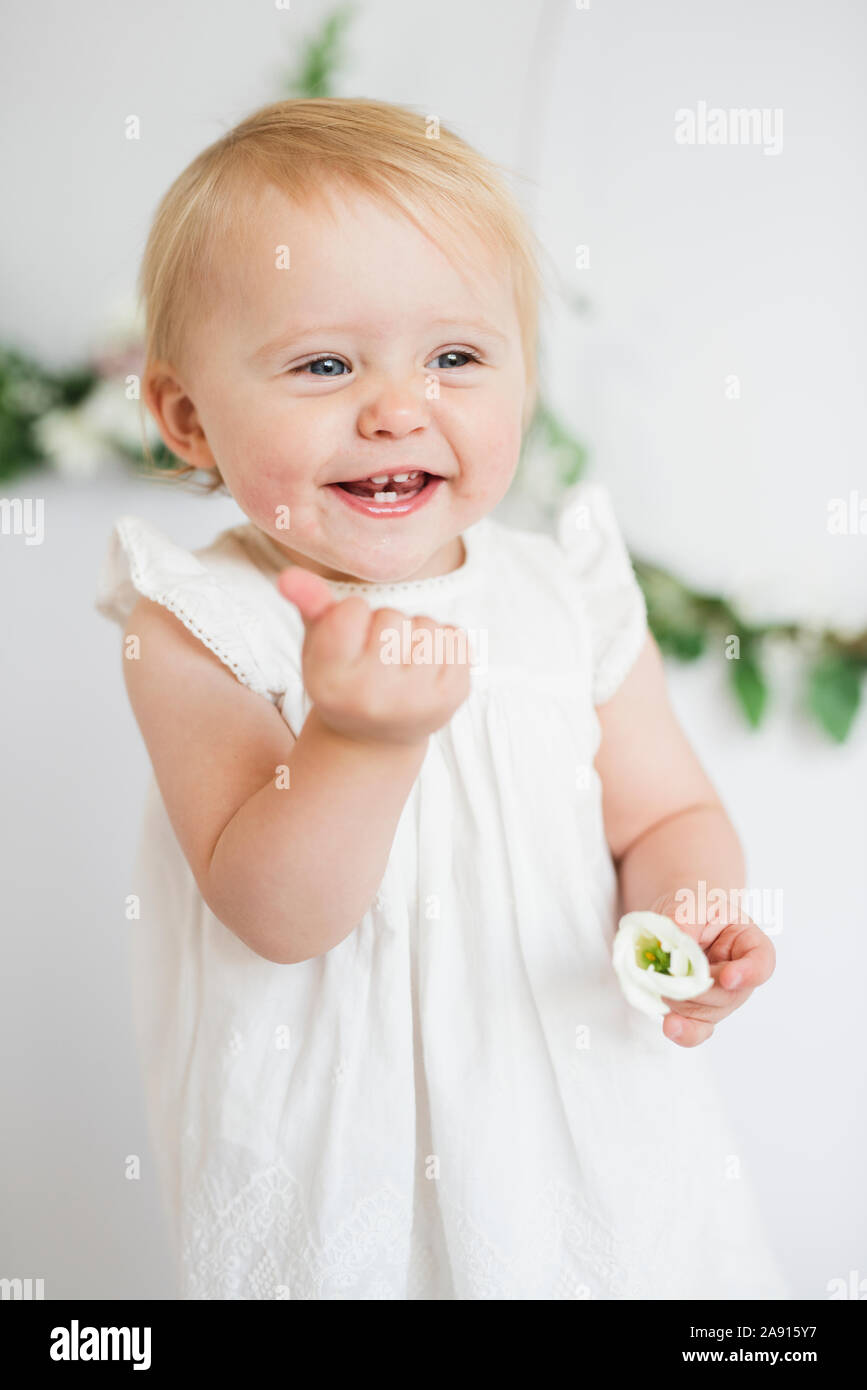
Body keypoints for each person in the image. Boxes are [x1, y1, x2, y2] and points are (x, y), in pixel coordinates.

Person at [95, 97, 789, 1300]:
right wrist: (357, 740)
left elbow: (665, 813)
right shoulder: (198, 622)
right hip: (346, 1155)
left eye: (455, 357)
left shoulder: (563, 591)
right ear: (188, 415)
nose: (399, 407)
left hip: (589, 1120)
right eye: (324, 363)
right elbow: (276, 911)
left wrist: (691, 918)